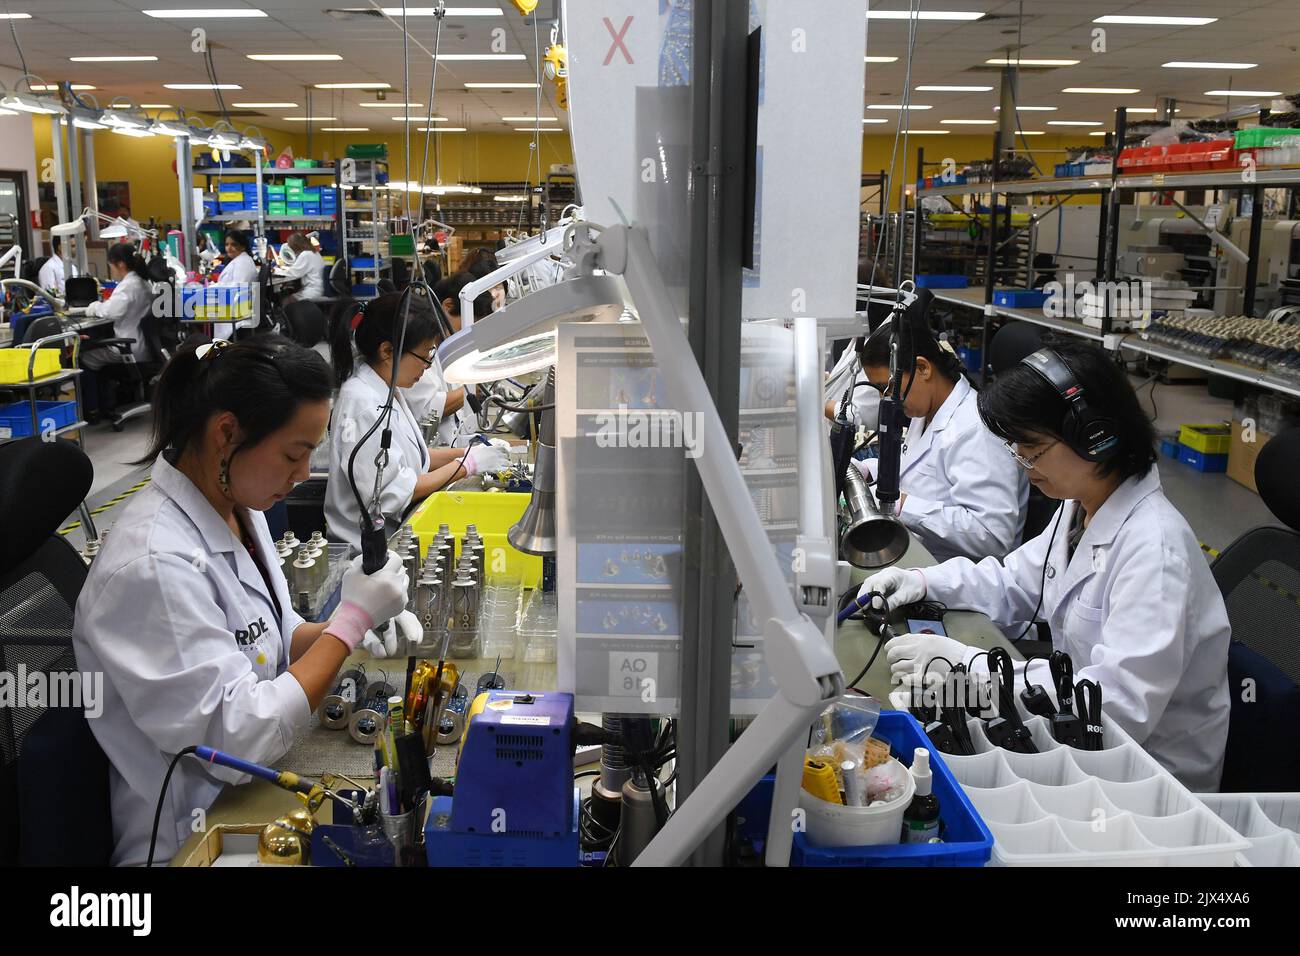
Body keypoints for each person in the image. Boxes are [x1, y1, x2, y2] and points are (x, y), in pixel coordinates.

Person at [72, 336, 411, 865]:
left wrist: (357, 629)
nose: (302, 475)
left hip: (253, 806)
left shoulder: (236, 508)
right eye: (293, 454)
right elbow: (238, 741)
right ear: (226, 432)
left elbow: (276, 640)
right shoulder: (153, 565)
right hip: (195, 841)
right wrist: (346, 625)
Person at [861, 342, 1231, 791]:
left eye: (1032, 449)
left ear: (1096, 437)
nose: (1023, 464)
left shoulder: (1155, 551)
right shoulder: (1082, 505)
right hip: (1076, 736)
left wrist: (974, 670)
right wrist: (922, 580)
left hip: (1145, 779)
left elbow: (1117, 705)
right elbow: (1014, 581)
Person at [325, 291, 507, 553]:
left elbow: (413, 458)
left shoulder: (387, 389)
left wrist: (470, 452)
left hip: (394, 540)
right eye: (424, 357)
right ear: (388, 351)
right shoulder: (362, 403)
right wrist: (466, 465)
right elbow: (395, 491)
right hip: (366, 554)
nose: (427, 367)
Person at [855, 309, 1027, 562]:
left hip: (960, 582)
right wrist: (870, 470)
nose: (884, 399)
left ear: (923, 368)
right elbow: (918, 475)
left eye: (888, 387)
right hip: (917, 558)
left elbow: (993, 536)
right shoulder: (925, 412)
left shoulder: (976, 430)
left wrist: (903, 505)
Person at [79, 243, 155, 421]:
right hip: (142, 344)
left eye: (111, 265)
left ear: (120, 264)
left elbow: (111, 311)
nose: (111, 269)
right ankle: (106, 404)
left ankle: (93, 411)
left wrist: (92, 307)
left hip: (129, 346)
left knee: (84, 357)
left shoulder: (128, 285)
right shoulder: (143, 282)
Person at [280, 232, 325, 300]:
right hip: (319, 288)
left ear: (295, 246)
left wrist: (275, 270)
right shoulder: (314, 252)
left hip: (312, 291)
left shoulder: (306, 254)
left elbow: (294, 273)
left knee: (287, 300)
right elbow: (298, 269)